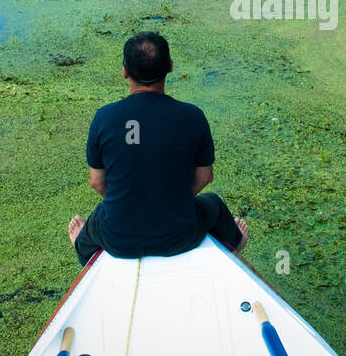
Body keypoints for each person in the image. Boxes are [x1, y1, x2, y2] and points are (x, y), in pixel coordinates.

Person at [68, 31, 248, 266]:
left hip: (118, 238)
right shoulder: (193, 117)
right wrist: (170, 201)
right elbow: (205, 176)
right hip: (180, 236)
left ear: (124, 71)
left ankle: (82, 248)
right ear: (170, 67)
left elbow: (97, 182)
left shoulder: (104, 117)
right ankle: (236, 241)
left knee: (96, 220)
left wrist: (132, 203)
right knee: (213, 204)